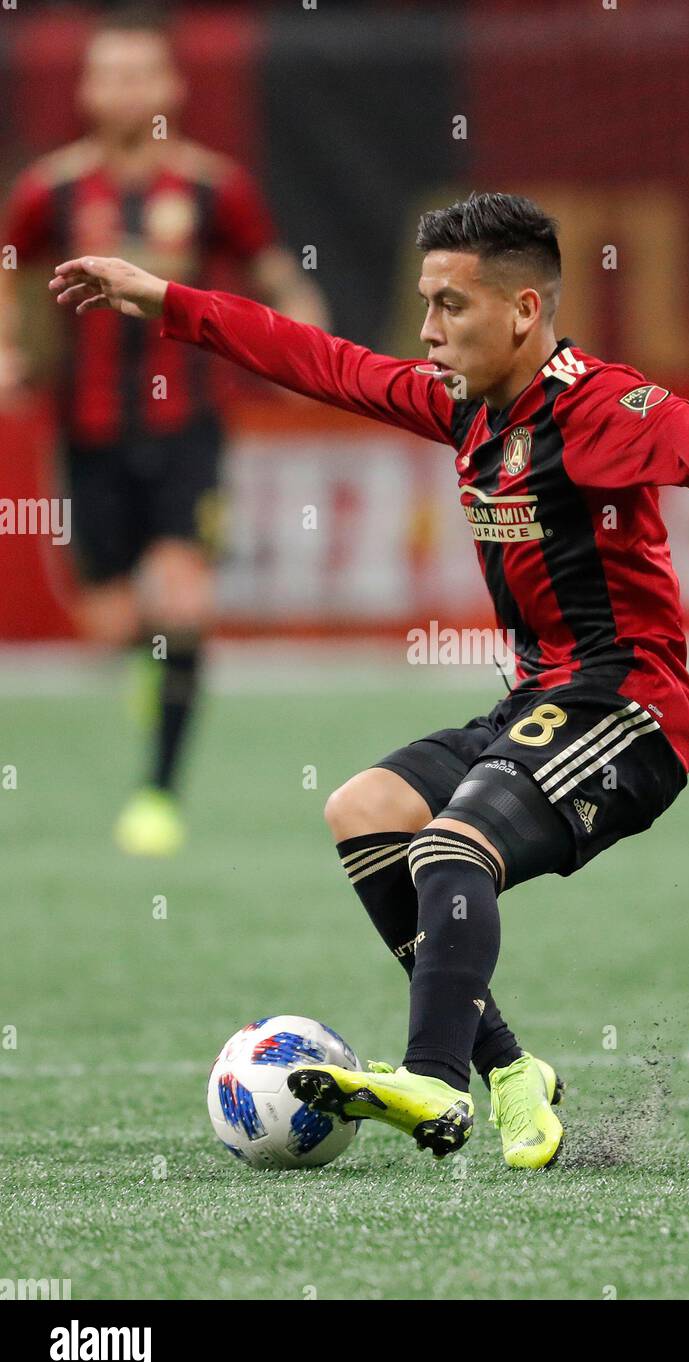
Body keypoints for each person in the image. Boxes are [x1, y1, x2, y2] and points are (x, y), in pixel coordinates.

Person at [49, 192, 689, 1169]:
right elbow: (321, 361)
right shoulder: (464, 407)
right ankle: (513, 1071)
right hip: (537, 707)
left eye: (450, 307)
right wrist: (163, 297)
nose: (428, 331)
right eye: (424, 305)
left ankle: (435, 1080)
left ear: (523, 312)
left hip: (628, 713)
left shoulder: (594, 404)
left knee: (452, 842)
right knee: (365, 810)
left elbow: (687, 434)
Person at [0, 6, 327, 855]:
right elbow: (8, 275)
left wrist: (303, 327)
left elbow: (271, 272)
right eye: (109, 74)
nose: (127, 90)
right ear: (85, 89)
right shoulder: (49, 190)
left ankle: (157, 796)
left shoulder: (216, 187)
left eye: (142, 73)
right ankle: (148, 662)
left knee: (180, 598)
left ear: (172, 86)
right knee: (113, 619)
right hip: (88, 428)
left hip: (191, 428)